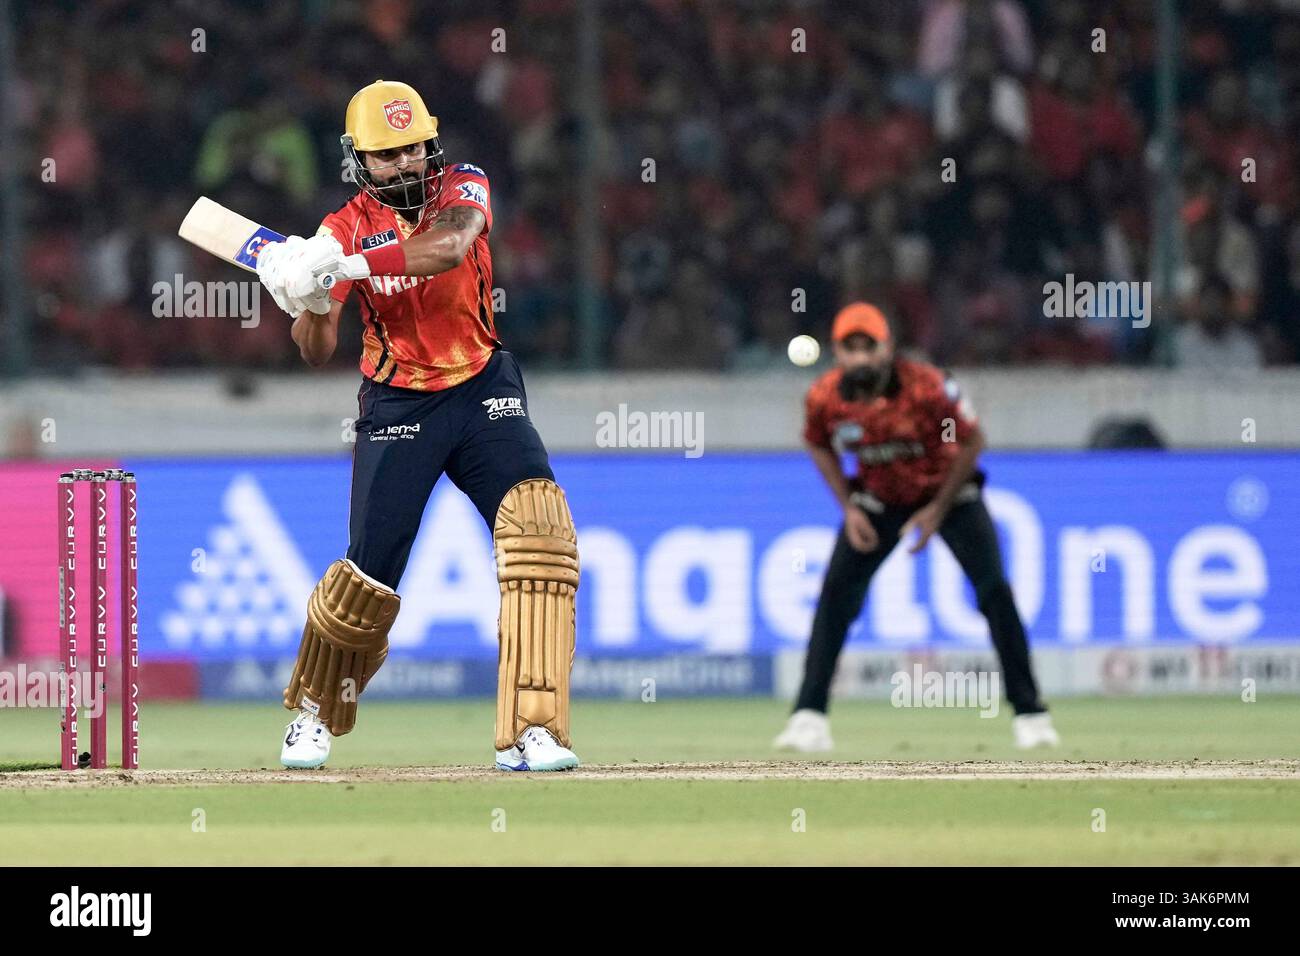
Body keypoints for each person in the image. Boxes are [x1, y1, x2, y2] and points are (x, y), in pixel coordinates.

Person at [255, 80, 580, 772]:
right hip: (399, 403)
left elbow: (451, 247)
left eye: (413, 149)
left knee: (542, 538)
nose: (404, 165)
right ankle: (312, 714)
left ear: (432, 145)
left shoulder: (464, 185)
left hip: (483, 386)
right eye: (386, 155)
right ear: (359, 161)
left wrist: (345, 265)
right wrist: (308, 296)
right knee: (369, 577)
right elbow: (315, 351)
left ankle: (533, 729)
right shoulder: (340, 228)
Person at [774, 302, 1059, 752]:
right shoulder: (826, 399)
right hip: (880, 499)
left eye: (870, 347)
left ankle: (1031, 715)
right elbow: (816, 443)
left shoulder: (926, 389)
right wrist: (849, 506)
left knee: (993, 593)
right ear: (836, 352)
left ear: (888, 348)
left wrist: (938, 508)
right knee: (836, 595)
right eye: (852, 348)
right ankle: (808, 716)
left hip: (950, 492)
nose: (862, 358)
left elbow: (970, 440)